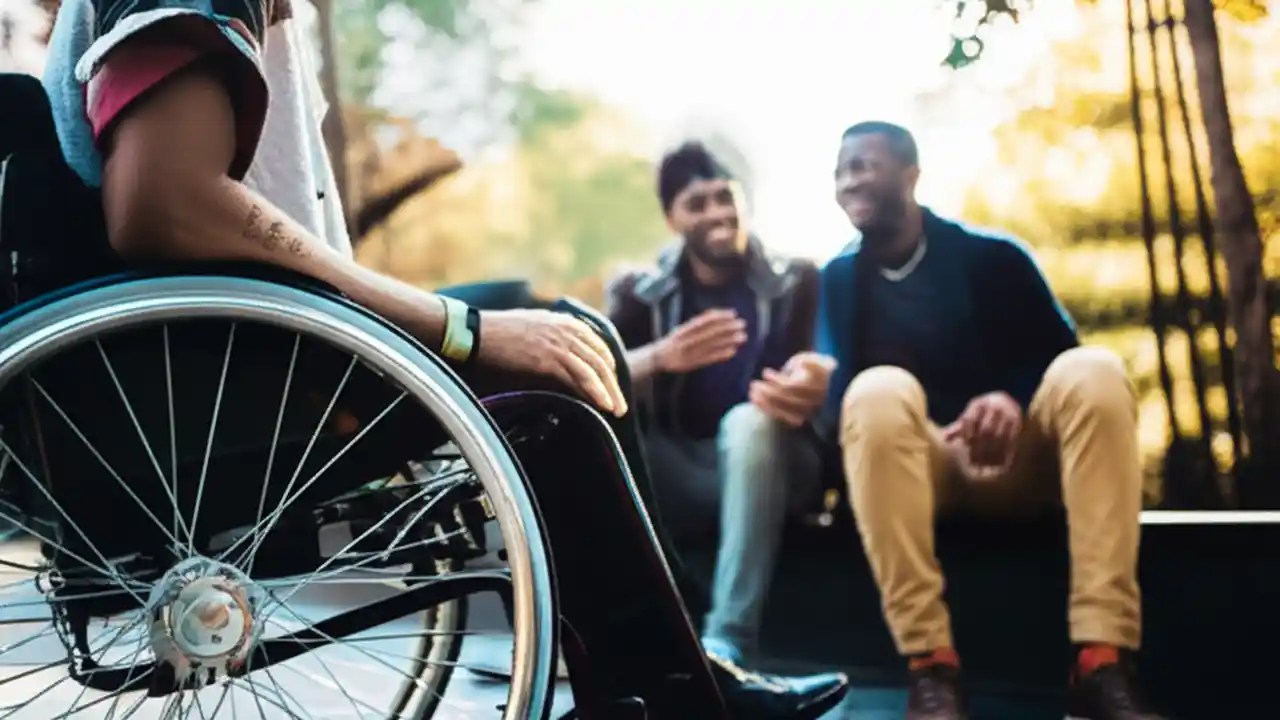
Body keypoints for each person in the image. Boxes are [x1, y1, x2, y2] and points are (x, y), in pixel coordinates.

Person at [36, 1, 848, 717]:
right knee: (564, 350)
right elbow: (164, 201)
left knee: (556, 326)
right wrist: (461, 330)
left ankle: (669, 665)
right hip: (220, 388)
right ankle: (676, 684)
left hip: (199, 368)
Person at [715, 120, 1164, 720]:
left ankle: (1101, 660)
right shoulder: (839, 279)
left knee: (1097, 370)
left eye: (864, 165)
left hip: (1023, 461)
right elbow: (846, 412)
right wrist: (805, 393)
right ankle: (931, 665)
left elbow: (1062, 359)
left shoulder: (994, 258)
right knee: (877, 389)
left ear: (911, 175)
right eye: (841, 171)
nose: (849, 182)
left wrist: (1011, 398)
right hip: (925, 473)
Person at [606, 141, 847, 714]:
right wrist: (659, 357)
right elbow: (595, 377)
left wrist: (813, 382)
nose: (717, 213)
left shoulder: (799, 279)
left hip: (780, 468)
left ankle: (727, 643)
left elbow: (829, 366)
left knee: (747, 423)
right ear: (672, 218)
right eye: (697, 203)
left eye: (725, 197)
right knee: (595, 433)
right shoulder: (638, 294)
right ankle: (597, 645)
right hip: (683, 474)